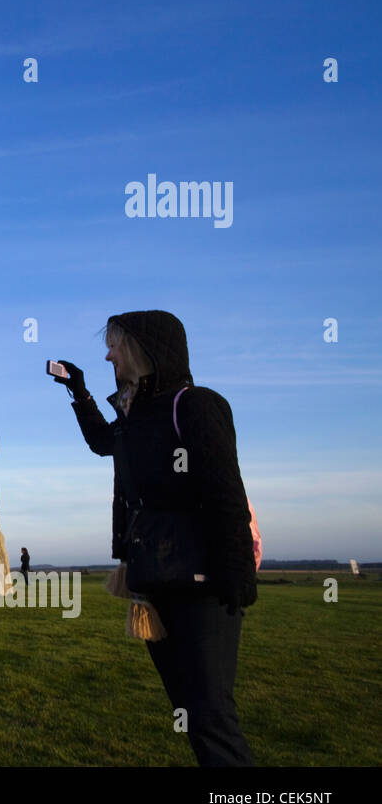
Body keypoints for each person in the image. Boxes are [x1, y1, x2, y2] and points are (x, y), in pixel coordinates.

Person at [52, 310, 257, 766]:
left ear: (143, 349)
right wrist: (79, 391)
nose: (108, 353)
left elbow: (227, 495)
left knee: (211, 715)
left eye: (115, 344)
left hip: (202, 585)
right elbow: (104, 442)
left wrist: (237, 578)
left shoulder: (196, 406)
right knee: (188, 710)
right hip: (152, 579)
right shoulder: (135, 416)